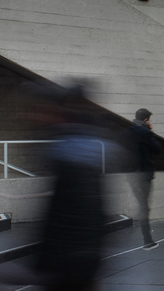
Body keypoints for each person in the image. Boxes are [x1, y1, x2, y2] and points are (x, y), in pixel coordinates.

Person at [33, 84, 107, 290]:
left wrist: (46, 263)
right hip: (79, 260)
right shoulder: (82, 145)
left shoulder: (70, 151)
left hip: (71, 262)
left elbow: (68, 215)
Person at [127, 108, 161, 249]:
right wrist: (151, 132)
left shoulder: (127, 132)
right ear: (146, 120)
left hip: (131, 174)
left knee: (142, 205)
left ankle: (146, 238)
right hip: (144, 175)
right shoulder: (145, 132)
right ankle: (147, 240)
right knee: (144, 207)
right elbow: (157, 149)